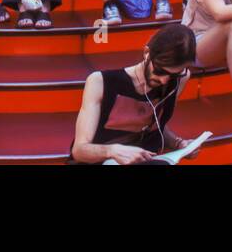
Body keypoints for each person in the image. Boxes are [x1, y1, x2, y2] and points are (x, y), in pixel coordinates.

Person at [70, 24, 197, 164]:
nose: (164, 80)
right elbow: (79, 151)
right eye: (160, 71)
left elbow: (156, 124)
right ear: (147, 53)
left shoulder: (180, 80)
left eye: (174, 75)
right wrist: (112, 150)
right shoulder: (101, 82)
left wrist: (179, 144)